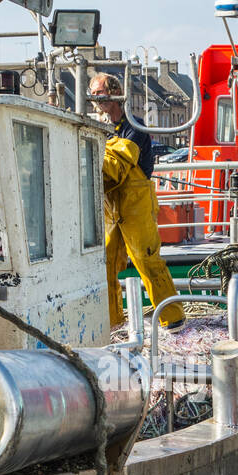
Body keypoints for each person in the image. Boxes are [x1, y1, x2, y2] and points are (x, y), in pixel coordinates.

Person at [87, 72, 184, 333]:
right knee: (105, 261)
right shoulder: (105, 128)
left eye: (100, 93)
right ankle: (113, 321)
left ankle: (172, 317)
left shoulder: (135, 127)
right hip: (112, 205)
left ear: (115, 94)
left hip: (136, 203)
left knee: (146, 257)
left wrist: (88, 155)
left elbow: (117, 166)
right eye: (94, 95)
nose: (96, 99)